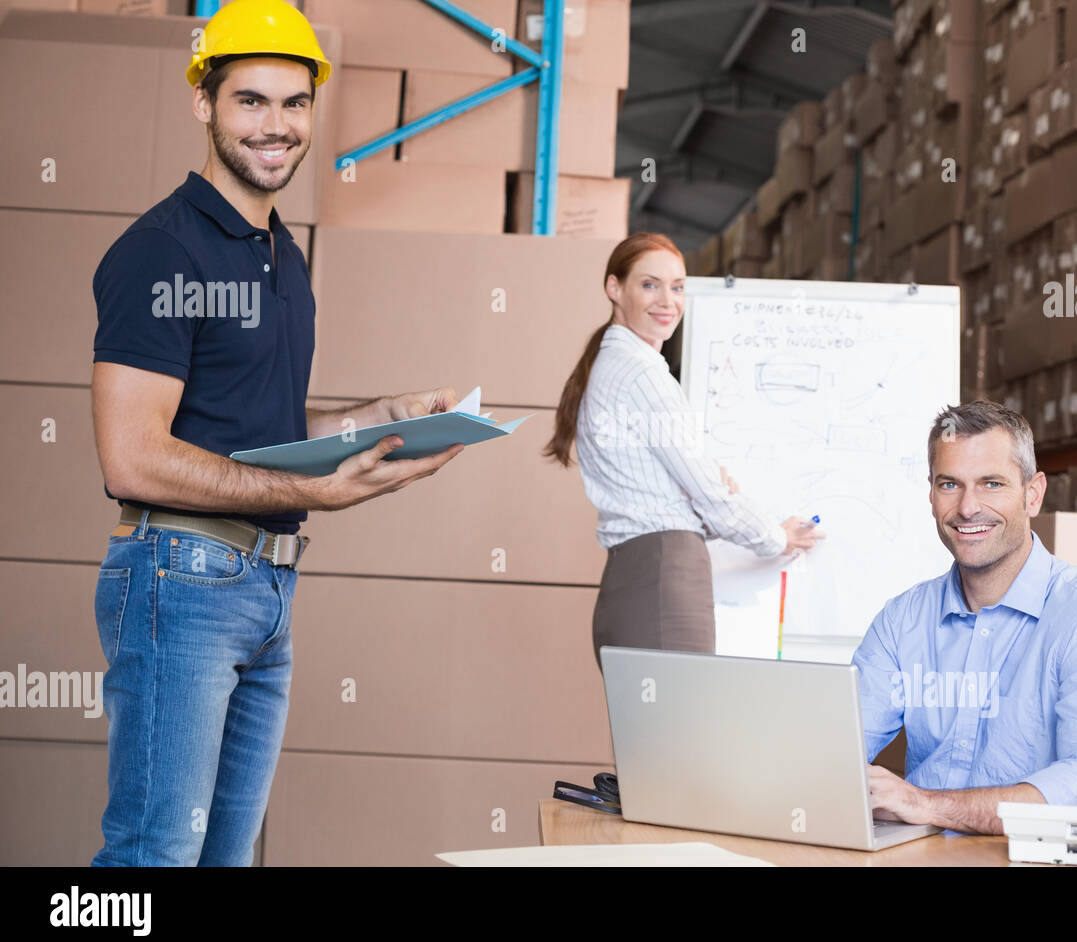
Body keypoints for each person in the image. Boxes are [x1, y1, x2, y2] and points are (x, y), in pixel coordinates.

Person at [89, 0, 465, 866]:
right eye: (251, 101)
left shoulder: (277, 253)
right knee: (154, 862)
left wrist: (375, 421)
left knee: (221, 862)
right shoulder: (163, 252)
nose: (277, 125)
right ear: (204, 105)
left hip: (266, 591)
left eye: (294, 103)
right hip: (179, 581)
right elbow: (132, 454)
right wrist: (311, 491)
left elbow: (258, 427)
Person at [854, 401, 1077, 834]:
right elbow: (835, 751)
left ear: (1033, 493)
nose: (969, 507)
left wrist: (929, 805)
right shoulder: (902, 622)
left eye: (992, 484)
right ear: (931, 495)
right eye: (950, 484)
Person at [545, 232, 824, 666]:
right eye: (650, 284)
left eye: (677, 287)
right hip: (662, 582)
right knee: (676, 733)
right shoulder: (641, 374)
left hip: (639, 581)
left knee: (659, 733)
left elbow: (678, 492)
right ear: (614, 289)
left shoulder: (614, 365)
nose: (667, 301)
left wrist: (702, 493)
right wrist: (775, 536)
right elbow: (709, 495)